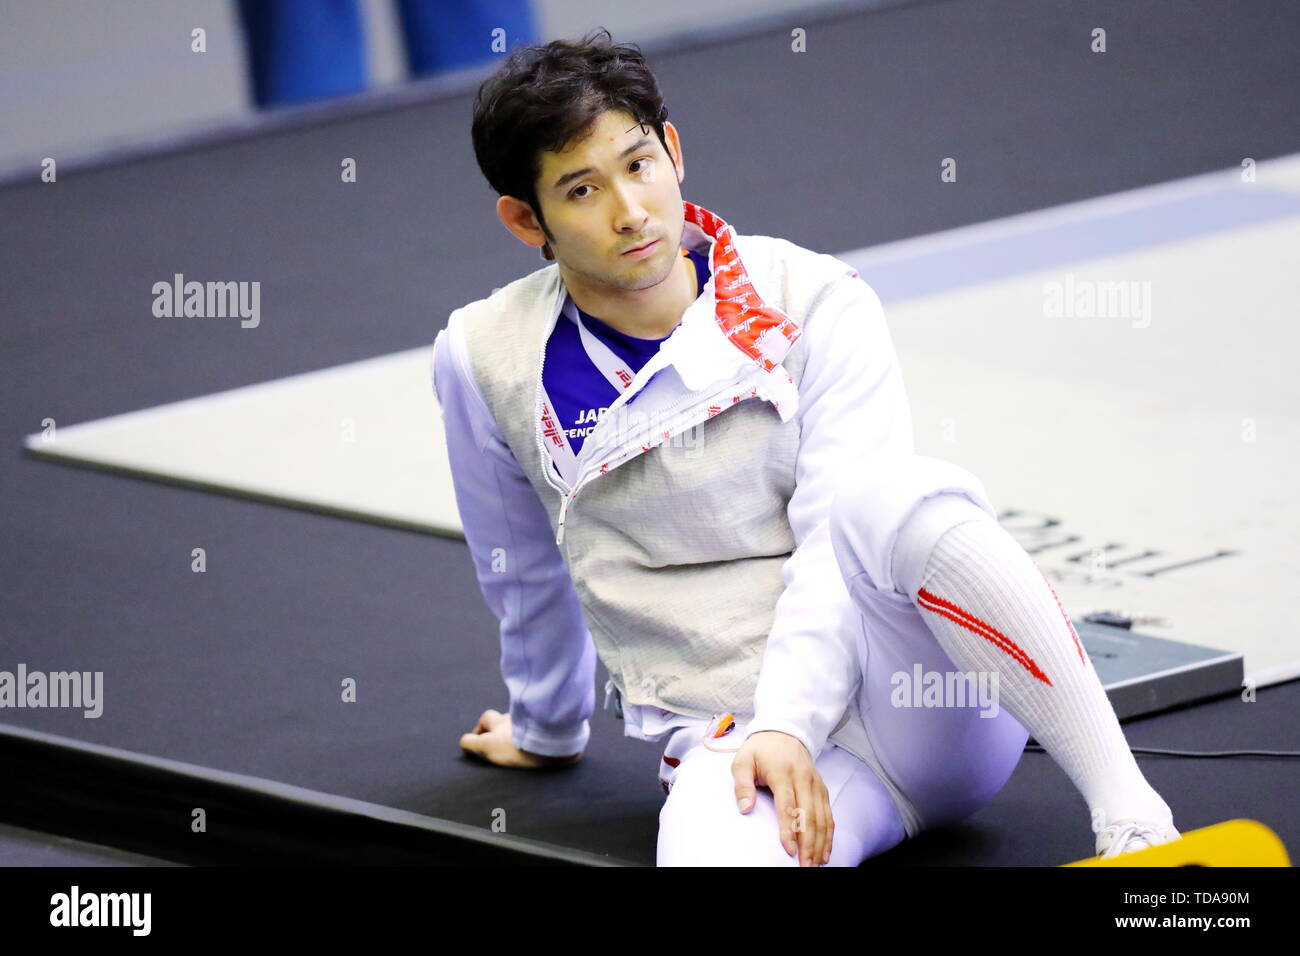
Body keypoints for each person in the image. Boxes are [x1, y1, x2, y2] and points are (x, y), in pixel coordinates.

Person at [430, 28, 1181, 865]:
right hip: (739, 744)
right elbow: (521, 564)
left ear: (673, 150)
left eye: (638, 164)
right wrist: (544, 727)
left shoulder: (819, 300)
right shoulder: (484, 355)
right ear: (523, 218)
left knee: (895, 498)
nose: (630, 211)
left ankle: (1137, 827)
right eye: (581, 189)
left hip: (919, 705)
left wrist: (792, 718)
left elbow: (836, 542)